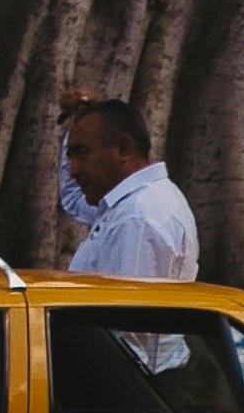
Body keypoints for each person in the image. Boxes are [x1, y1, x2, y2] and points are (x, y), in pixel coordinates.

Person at [62, 95, 198, 281]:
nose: (73, 171)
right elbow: (73, 200)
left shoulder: (136, 218)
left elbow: (129, 309)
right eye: (71, 157)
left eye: (82, 152)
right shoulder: (136, 202)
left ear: (124, 149)